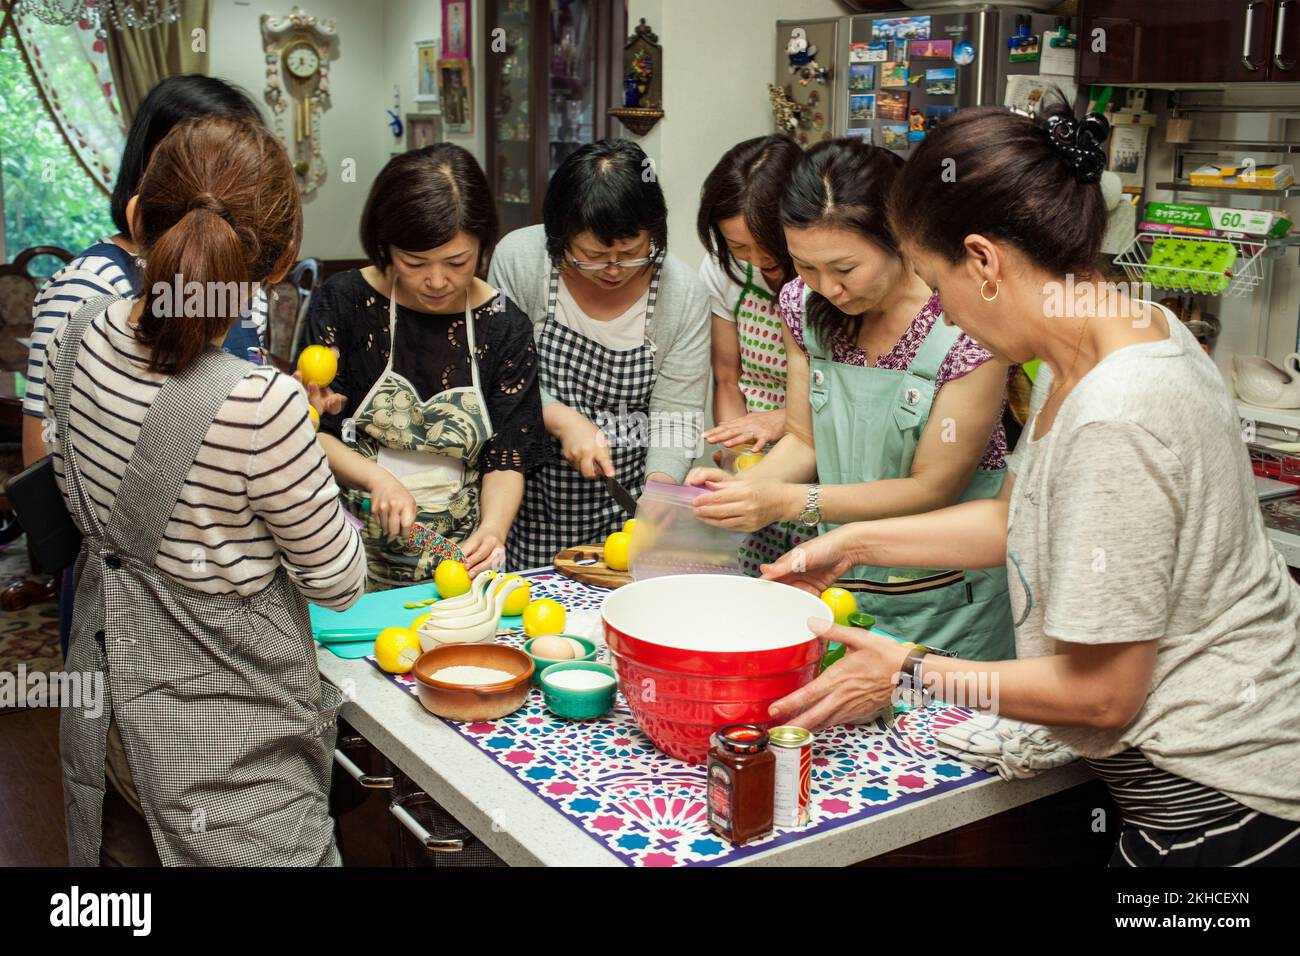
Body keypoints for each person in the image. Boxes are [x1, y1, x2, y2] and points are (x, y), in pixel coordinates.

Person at [763, 106, 1300, 866]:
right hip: (1196, 783)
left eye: (936, 281)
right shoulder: (1112, 333)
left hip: (1220, 803)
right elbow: (1013, 521)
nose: (941, 310)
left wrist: (910, 673)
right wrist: (854, 541)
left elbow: (1101, 696)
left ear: (983, 260)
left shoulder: (1117, 412)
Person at [48, 115, 365, 865]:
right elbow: (339, 581)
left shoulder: (81, 328)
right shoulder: (262, 405)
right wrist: (300, 467)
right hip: (228, 767)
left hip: (105, 718)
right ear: (283, 259)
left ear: (136, 218)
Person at [688, 138, 1014, 660]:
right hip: (838, 584)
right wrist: (741, 490)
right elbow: (802, 439)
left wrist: (791, 502)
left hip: (948, 598)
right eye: (806, 267)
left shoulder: (966, 320)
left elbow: (932, 487)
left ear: (900, 237)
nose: (826, 289)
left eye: (844, 269)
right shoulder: (802, 304)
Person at [22, 74, 273, 657]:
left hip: (237, 582)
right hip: (127, 591)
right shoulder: (90, 286)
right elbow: (43, 454)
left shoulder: (243, 282)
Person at [301, 144, 547, 585]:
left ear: (483, 245)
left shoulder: (504, 328)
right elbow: (312, 434)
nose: (436, 281)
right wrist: (377, 479)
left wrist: (492, 530)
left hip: (455, 563)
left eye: (457, 262)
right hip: (343, 555)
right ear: (385, 246)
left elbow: (506, 456)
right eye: (414, 263)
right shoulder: (343, 304)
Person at [488, 139, 711, 569]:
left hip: (620, 511)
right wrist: (561, 418)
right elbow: (497, 376)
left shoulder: (682, 293)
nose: (612, 270)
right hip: (520, 503)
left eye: (631, 254)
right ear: (559, 236)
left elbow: (677, 415)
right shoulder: (520, 260)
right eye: (592, 256)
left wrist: (660, 493)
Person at [695, 135, 815, 574]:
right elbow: (728, 378)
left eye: (768, 242)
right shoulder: (723, 272)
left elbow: (851, 393)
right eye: (739, 247)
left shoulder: (824, 277)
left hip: (828, 451)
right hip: (758, 452)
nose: (757, 258)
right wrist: (736, 450)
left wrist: (785, 421)